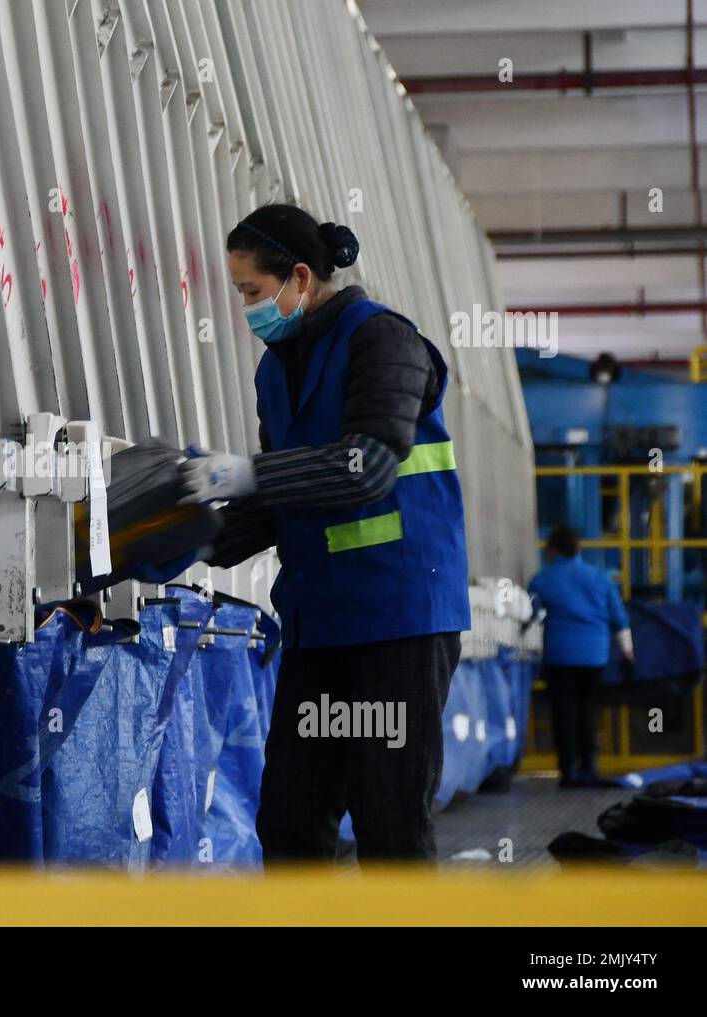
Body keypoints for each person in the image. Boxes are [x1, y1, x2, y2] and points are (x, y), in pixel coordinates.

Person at [179, 203, 471, 864]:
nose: (248, 307)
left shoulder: (384, 341)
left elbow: (365, 466)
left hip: (398, 619)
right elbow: (274, 501)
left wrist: (243, 472)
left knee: (389, 819)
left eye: (253, 291)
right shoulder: (274, 370)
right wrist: (182, 539)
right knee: (291, 820)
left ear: (301, 277)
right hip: (322, 625)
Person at [526, 525, 633, 788]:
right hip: (594, 655)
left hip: (559, 655)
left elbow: (529, 618)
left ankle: (568, 771)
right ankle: (590, 766)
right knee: (587, 708)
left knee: (563, 711)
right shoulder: (601, 578)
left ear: (553, 550)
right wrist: (628, 654)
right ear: (578, 549)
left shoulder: (541, 580)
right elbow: (619, 620)